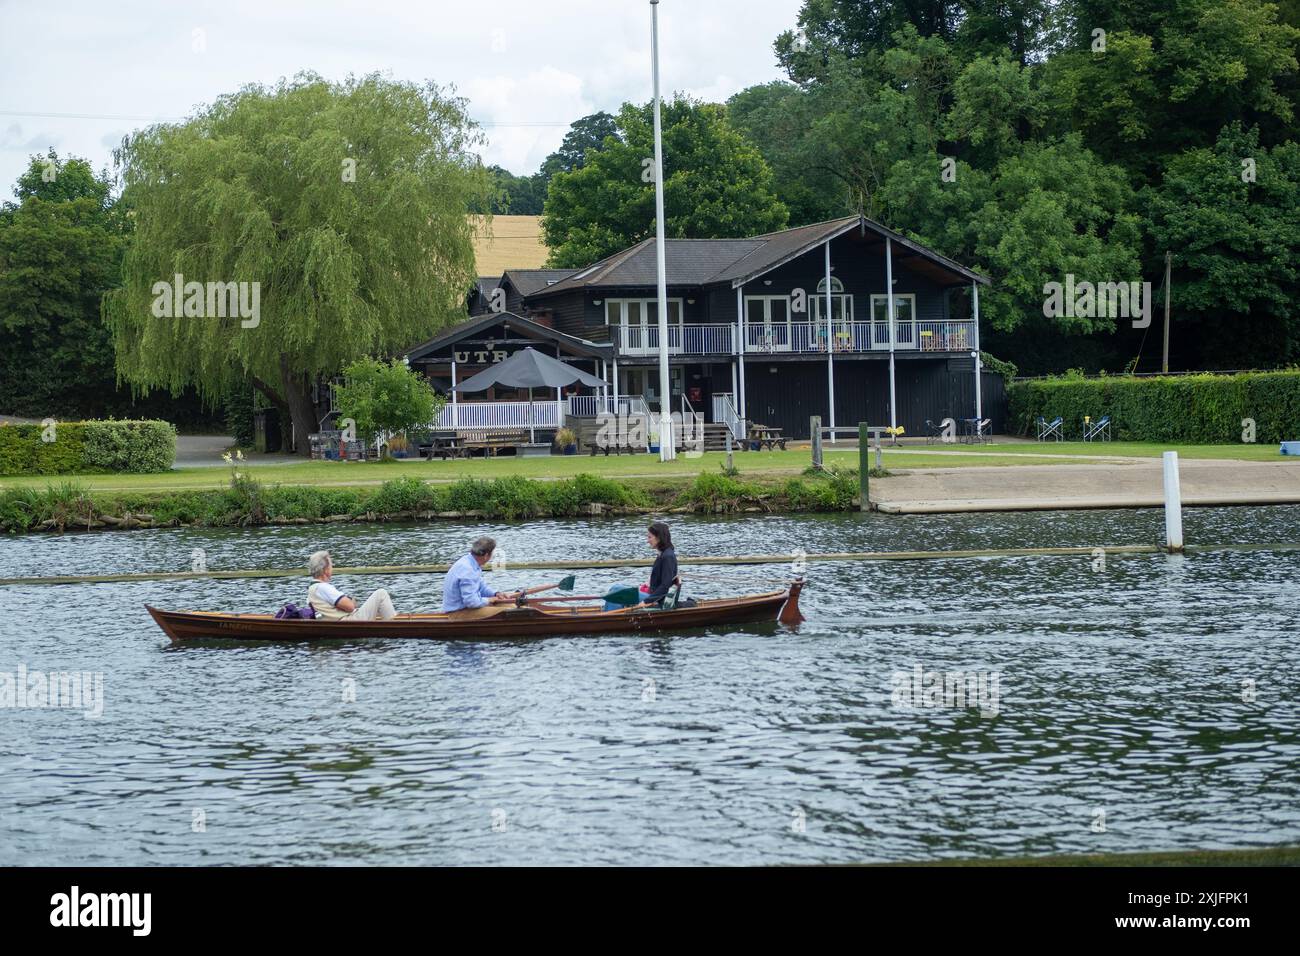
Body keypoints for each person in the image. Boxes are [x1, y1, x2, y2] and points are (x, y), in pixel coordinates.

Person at [307, 550, 397, 621]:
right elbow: (350, 607)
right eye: (331, 566)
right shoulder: (323, 588)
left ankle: (390, 621)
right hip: (348, 621)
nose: (332, 568)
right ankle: (394, 626)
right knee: (381, 593)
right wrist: (352, 602)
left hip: (338, 619)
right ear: (325, 570)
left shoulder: (313, 588)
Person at [442, 536, 520, 617]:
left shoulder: (471, 562)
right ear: (486, 555)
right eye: (492, 553)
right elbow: (471, 602)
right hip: (458, 612)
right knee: (510, 612)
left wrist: (496, 594)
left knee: (512, 606)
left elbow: (481, 588)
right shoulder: (468, 570)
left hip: (468, 608)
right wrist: (489, 600)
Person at [640, 520, 679, 606]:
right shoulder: (663, 554)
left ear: (659, 538)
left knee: (617, 589)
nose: (648, 541)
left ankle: (609, 617)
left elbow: (665, 586)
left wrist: (646, 601)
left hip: (657, 600)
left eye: (650, 537)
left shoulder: (667, 556)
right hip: (652, 595)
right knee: (618, 589)